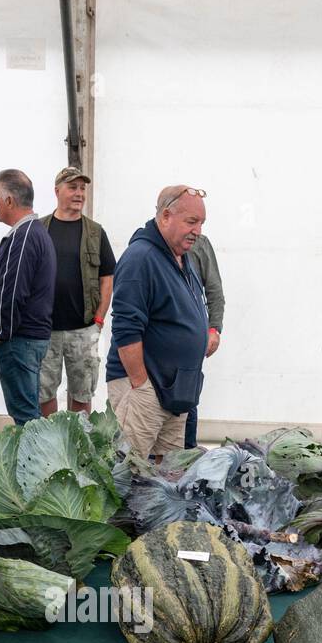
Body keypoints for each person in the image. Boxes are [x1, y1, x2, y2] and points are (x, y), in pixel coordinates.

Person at [106, 185, 209, 459]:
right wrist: (141, 386)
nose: (198, 230)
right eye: (191, 221)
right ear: (165, 216)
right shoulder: (141, 258)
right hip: (145, 390)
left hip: (175, 394)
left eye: (201, 223)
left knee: (166, 483)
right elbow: (126, 327)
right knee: (128, 473)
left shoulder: (183, 260)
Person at [37, 167, 116, 415]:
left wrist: (99, 320)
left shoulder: (95, 232)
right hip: (44, 330)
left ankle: (79, 447)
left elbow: (107, 278)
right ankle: (49, 444)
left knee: (82, 393)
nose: (79, 193)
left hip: (84, 329)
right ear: (57, 191)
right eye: (73, 187)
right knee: (43, 392)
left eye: (82, 188)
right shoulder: (40, 229)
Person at [0, 169, 55, 426]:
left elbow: (12, 292)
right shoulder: (33, 233)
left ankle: (34, 465)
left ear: (10, 201)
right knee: (29, 412)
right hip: (26, 339)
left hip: (19, 340)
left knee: (25, 416)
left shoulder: (23, 237)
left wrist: (1, 332)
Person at [185, 233, 224, 448]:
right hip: (159, 340)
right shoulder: (148, 245)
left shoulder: (200, 243)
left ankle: (187, 453)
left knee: (187, 398)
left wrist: (214, 328)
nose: (195, 228)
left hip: (191, 336)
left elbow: (214, 290)